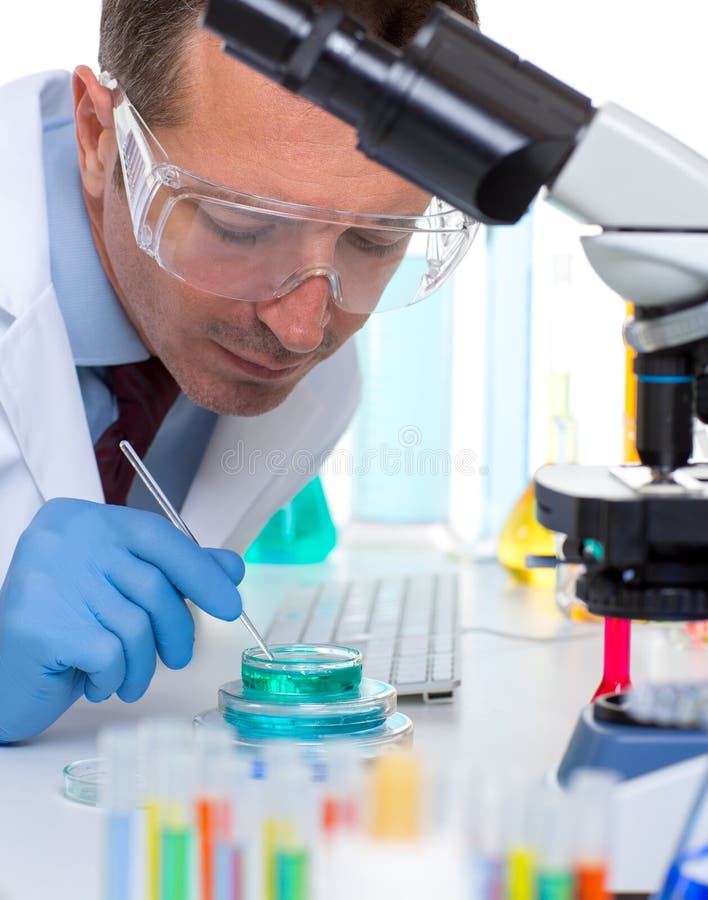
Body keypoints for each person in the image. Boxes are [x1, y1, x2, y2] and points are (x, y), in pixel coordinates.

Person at [0, 0, 479, 743]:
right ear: (100, 139)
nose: (302, 330)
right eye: (241, 227)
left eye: (376, 241)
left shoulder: (318, 372)